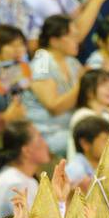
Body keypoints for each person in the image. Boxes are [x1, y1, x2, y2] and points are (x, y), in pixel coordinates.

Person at [23, 14, 84, 156]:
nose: (77, 41)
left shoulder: (72, 62)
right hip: (46, 133)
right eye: (71, 37)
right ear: (54, 40)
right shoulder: (42, 62)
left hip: (69, 128)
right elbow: (54, 106)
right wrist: (83, 83)